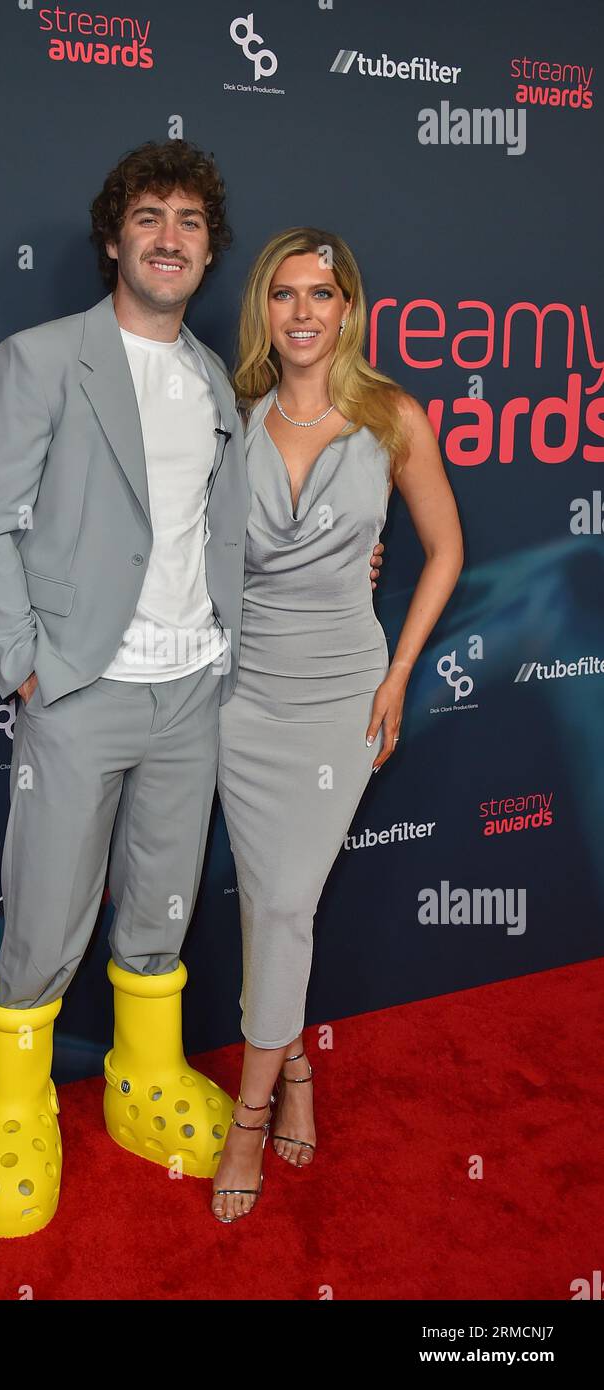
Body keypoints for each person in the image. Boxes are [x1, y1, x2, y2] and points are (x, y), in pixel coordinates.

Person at [0, 140, 384, 1238]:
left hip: (196, 689)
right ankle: (11, 1101)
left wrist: (349, 557)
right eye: (148, 216)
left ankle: (143, 1083)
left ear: (206, 251)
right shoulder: (43, 359)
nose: (168, 238)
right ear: (114, 238)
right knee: (48, 910)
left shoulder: (212, 379)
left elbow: (242, 526)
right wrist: (24, 663)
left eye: (189, 222)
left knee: (162, 904)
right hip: (80, 690)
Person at [210, 228, 464, 1223]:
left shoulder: (391, 416)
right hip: (241, 697)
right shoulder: (230, 418)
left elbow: (443, 549)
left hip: (340, 699)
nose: (303, 312)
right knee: (267, 902)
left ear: (349, 308)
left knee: (280, 904)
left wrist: (397, 670)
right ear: (263, 312)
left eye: (322, 292)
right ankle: (297, 1066)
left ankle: (249, 1110)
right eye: (283, 294)